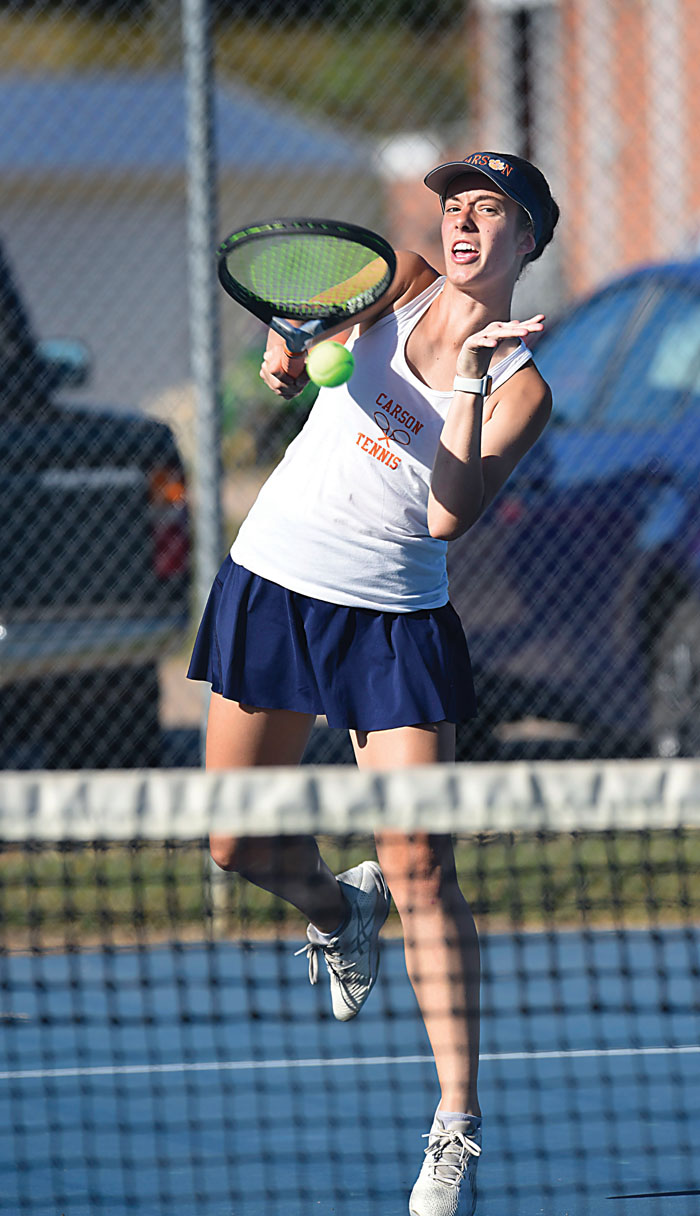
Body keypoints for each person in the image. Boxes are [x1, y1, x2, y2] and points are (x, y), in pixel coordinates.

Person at [188, 150, 559, 1216]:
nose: (464, 225)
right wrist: (285, 340)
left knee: (425, 865)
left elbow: (447, 513)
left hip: (392, 627)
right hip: (273, 580)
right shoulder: (391, 277)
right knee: (229, 842)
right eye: (455, 206)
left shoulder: (524, 390)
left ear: (528, 241)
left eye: (492, 213)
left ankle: (455, 1127)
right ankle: (337, 910)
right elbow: (301, 302)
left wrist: (477, 372)